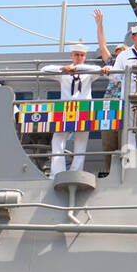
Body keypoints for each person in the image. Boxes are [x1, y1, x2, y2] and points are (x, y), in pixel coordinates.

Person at [41, 41, 101, 173]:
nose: (79, 57)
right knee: (57, 139)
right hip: (66, 109)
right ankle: (57, 171)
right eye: (76, 55)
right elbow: (44, 69)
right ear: (71, 55)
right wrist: (63, 69)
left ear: (84, 57)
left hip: (84, 108)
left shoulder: (89, 73)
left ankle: (76, 170)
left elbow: (98, 70)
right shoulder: (64, 73)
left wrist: (78, 69)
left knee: (81, 142)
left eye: (81, 55)